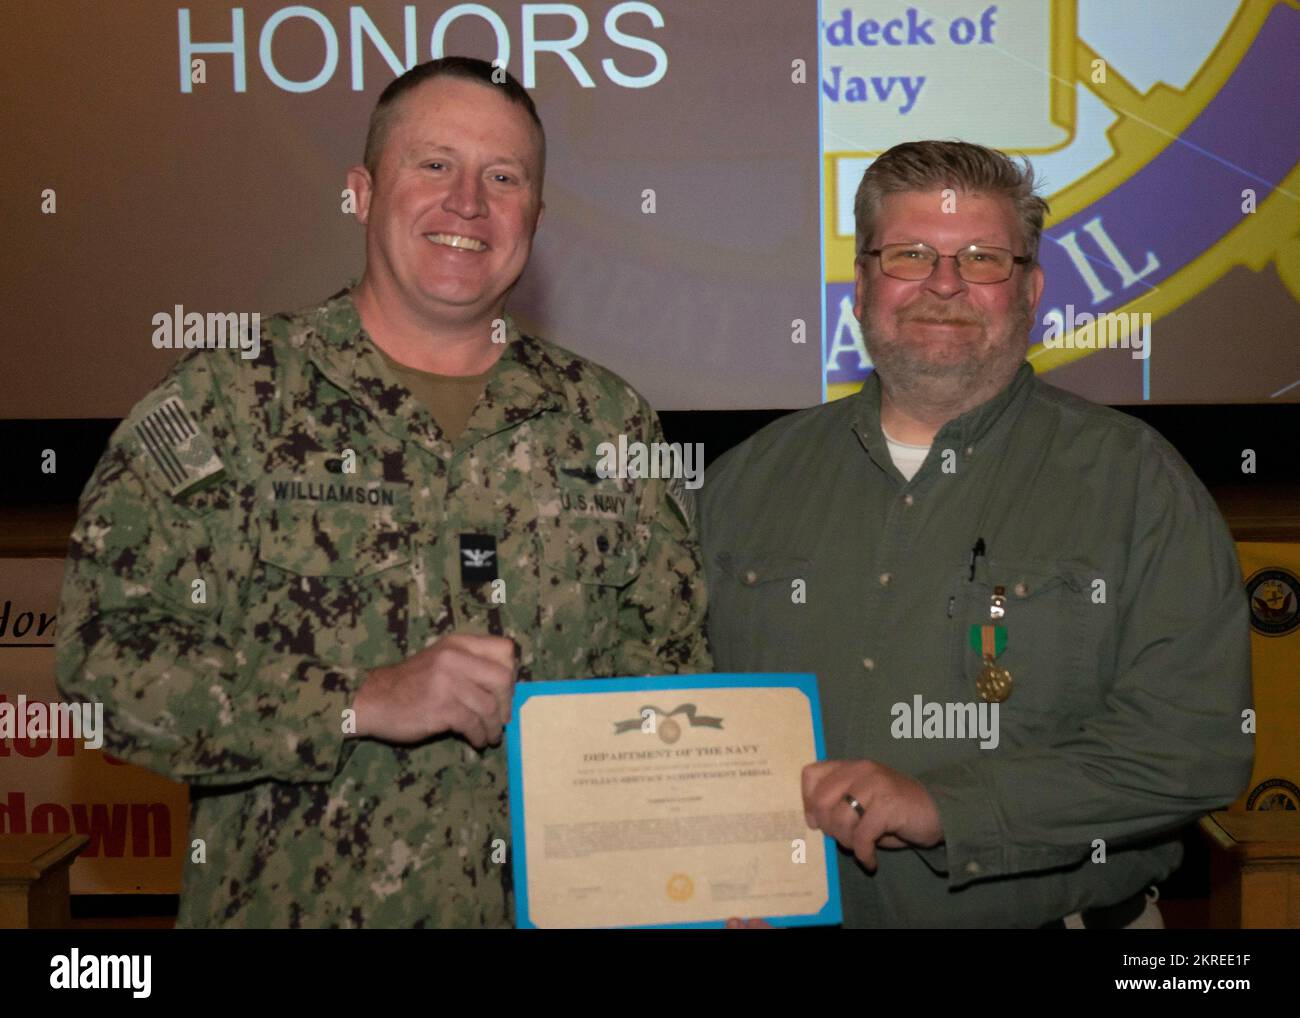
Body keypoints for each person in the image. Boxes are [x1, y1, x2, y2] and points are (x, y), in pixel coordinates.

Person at [54, 56, 710, 928]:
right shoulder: (230, 400)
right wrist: (358, 701)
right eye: (433, 164)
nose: (468, 202)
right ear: (362, 192)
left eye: (503, 177)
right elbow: (103, 664)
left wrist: (716, 871)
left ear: (536, 218)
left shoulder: (610, 423)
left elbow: (669, 689)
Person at [700, 140, 1253, 928]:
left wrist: (945, 807)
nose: (945, 284)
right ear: (860, 285)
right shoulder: (740, 484)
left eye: (983, 258)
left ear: (1030, 290)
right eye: (911, 254)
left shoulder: (1139, 484)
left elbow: (1195, 749)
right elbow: (672, 711)